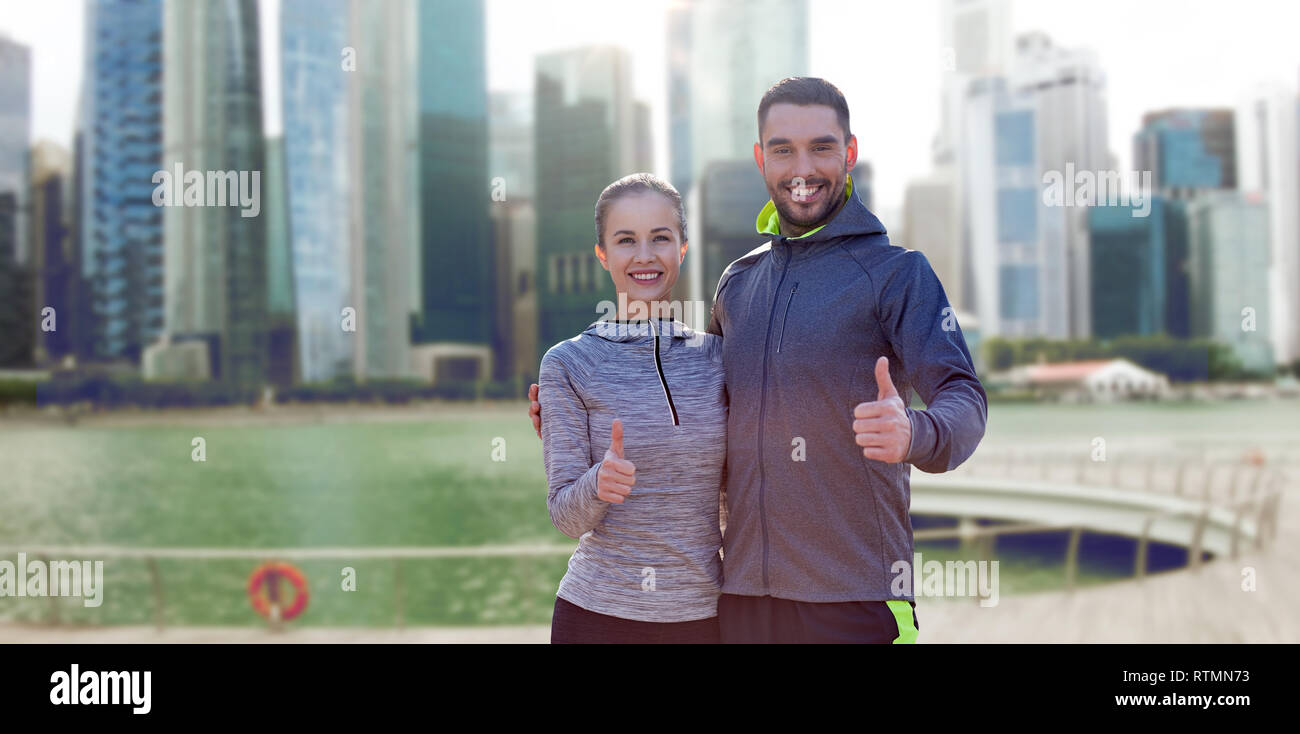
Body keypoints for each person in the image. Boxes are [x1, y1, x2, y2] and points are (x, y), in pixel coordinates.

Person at [532, 77, 988, 644]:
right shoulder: (738, 284)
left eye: (822, 147)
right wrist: (572, 411)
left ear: (849, 153)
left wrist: (915, 430)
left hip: (854, 597)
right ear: (760, 159)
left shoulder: (898, 274)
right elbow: (710, 401)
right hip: (741, 600)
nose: (803, 167)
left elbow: (964, 396)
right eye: (783, 149)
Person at [538, 173, 726, 644]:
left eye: (660, 238)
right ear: (602, 253)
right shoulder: (567, 363)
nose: (644, 256)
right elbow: (565, 516)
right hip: (597, 617)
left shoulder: (721, 357)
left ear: (682, 247)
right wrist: (598, 483)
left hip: (705, 616)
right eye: (626, 241)